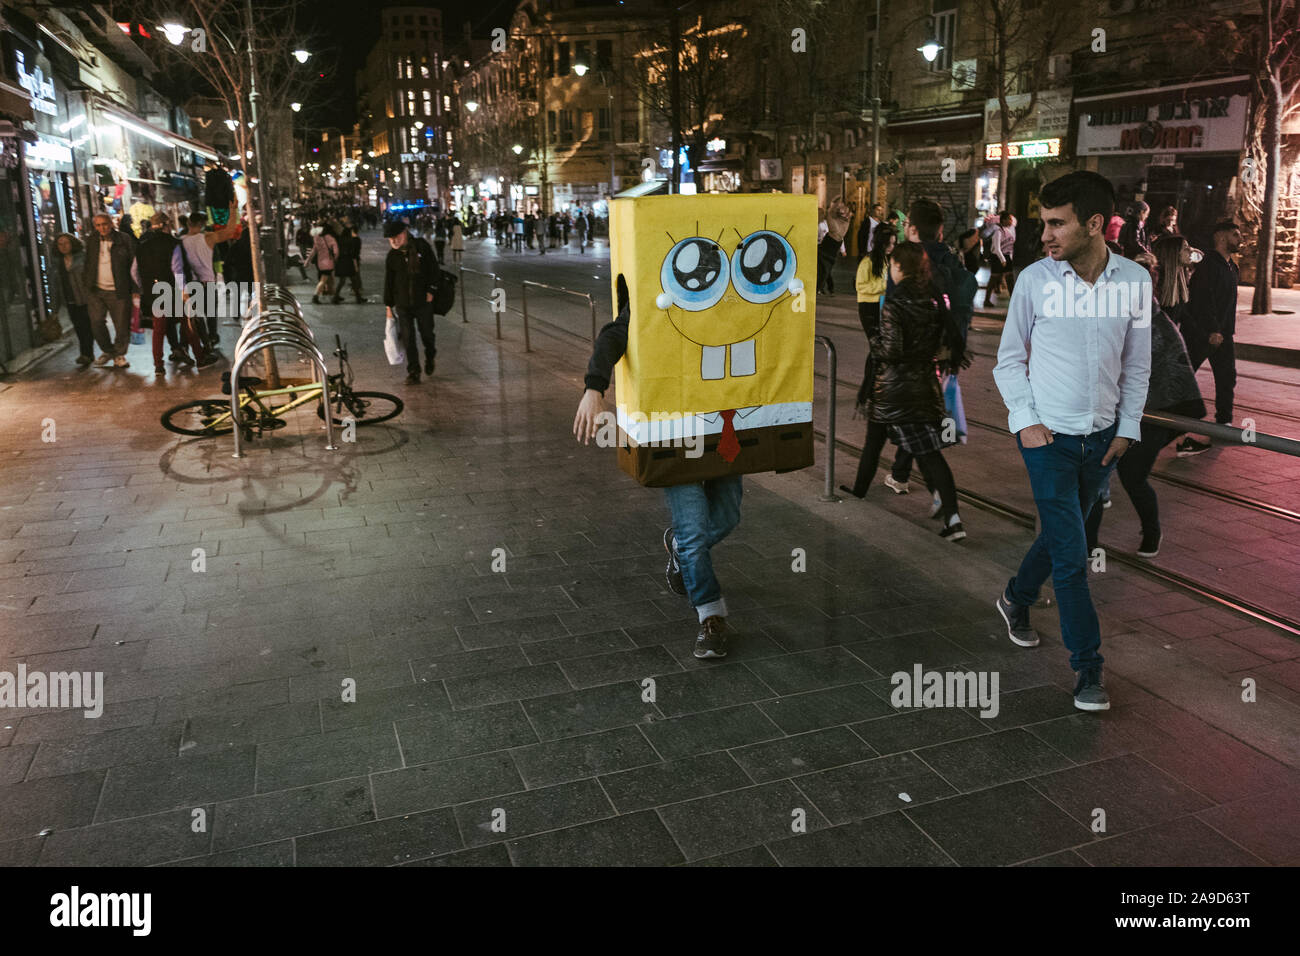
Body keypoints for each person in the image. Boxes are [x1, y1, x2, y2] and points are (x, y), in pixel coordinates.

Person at [992, 170, 1151, 713]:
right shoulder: (1036, 281)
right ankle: (1088, 670)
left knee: (1064, 535)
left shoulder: (1135, 281)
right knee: (1073, 556)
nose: (1045, 236)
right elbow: (1009, 358)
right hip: (1047, 439)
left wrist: (1128, 427)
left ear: (1094, 224)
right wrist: (1024, 420)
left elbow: (1138, 364)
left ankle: (1015, 597)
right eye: (1043, 224)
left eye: (1056, 224)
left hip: (1102, 440)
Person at [573, 276, 744, 659]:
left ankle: (680, 548)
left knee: (728, 516)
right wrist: (594, 387)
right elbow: (614, 335)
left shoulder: (732, 290)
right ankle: (710, 616)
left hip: (721, 427)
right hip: (672, 433)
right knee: (696, 531)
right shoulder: (659, 289)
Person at [840, 241, 968, 538]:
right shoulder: (934, 299)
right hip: (923, 385)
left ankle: (952, 519)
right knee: (917, 448)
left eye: (892, 266)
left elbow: (892, 350)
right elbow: (941, 343)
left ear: (899, 267)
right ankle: (951, 517)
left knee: (898, 446)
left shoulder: (896, 304)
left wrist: (874, 339)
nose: (891, 272)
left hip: (896, 390)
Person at [1084, 250, 1204, 559]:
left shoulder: (1148, 320)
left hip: (1156, 411)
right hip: (1125, 409)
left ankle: (1151, 532)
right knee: (1097, 473)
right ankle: (1088, 544)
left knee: (1131, 475)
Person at [887, 199, 979, 510]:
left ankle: (931, 486)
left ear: (912, 228)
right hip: (946, 354)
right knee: (926, 418)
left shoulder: (904, 262)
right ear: (940, 231)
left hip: (914, 359)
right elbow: (963, 306)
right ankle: (901, 474)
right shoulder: (953, 262)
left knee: (915, 420)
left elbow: (892, 312)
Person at [1177, 219, 1241, 453]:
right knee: (1185, 376)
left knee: (1227, 377)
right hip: (1203, 335)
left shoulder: (1232, 267)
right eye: (1235, 235)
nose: (1240, 239)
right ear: (1221, 237)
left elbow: (1227, 304)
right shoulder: (1208, 266)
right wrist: (1212, 330)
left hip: (1224, 335)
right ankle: (1165, 421)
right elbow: (1203, 300)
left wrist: (1225, 331)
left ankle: (1224, 423)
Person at [135, 212, 211, 375]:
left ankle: (158, 366)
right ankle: (200, 359)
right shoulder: (173, 244)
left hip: (154, 293)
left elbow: (134, 271)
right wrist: (184, 292)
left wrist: (144, 290)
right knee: (188, 325)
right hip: (173, 291)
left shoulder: (142, 246)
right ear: (165, 225)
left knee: (158, 330)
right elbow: (177, 270)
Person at [382, 220, 438, 384]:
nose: (393, 241)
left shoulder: (421, 247)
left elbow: (434, 269)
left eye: (396, 236)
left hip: (423, 301)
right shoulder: (392, 255)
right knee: (408, 338)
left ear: (405, 232)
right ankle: (413, 371)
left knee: (427, 334)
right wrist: (388, 305)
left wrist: (431, 291)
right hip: (402, 303)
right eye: (390, 238)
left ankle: (430, 355)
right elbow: (389, 281)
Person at [180, 204, 241, 349]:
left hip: (190, 283)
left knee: (194, 315)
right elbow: (230, 231)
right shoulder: (208, 238)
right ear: (202, 224)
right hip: (207, 282)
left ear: (188, 223)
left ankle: (192, 343)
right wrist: (233, 211)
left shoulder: (180, 241)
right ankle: (212, 338)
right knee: (210, 313)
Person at [82, 213, 137, 368]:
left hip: (119, 289)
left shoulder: (123, 239)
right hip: (96, 289)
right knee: (96, 322)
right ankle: (107, 350)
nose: (102, 228)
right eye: (98, 225)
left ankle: (119, 354)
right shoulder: (92, 240)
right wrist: (87, 284)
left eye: (104, 224)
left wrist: (135, 288)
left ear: (111, 224)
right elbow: (88, 263)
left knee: (121, 324)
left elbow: (133, 264)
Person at [51, 234, 94, 366]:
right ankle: (85, 353)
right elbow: (56, 284)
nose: (63, 246)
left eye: (66, 243)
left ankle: (87, 353)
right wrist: (55, 305)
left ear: (73, 244)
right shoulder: (58, 262)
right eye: (60, 244)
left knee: (88, 325)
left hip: (85, 297)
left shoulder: (83, 257)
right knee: (79, 326)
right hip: (69, 299)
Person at [982, 210, 1016, 307]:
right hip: (997, 257)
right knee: (994, 278)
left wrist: (1009, 258)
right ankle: (986, 300)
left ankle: (1013, 300)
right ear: (1004, 220)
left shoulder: (1009, 230)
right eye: (1009, 219)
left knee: (1010, 279)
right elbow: (996, 248)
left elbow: (1010, 246)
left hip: (1006, 256)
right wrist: (1003, 260)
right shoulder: (998, 231)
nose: (1011, 221)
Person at [307, 221, 339, 305]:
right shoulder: (330, 238)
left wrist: (307, 261)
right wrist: (335, 259)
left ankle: (334, 295)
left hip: (320, 262)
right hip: (328, 262)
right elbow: (336, 251)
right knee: (323, 280)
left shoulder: (317, 238)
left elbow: (314, 251)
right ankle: (315, 296)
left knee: (330, 279)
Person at [334, 226, 364, 303]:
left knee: (342, 281)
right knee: (353, 280)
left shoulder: (339, 240)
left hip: (340, 262)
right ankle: (358, 298)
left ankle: (335, 297)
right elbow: (353, 254)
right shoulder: (351, 241)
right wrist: (356, 265)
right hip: (348, 262)